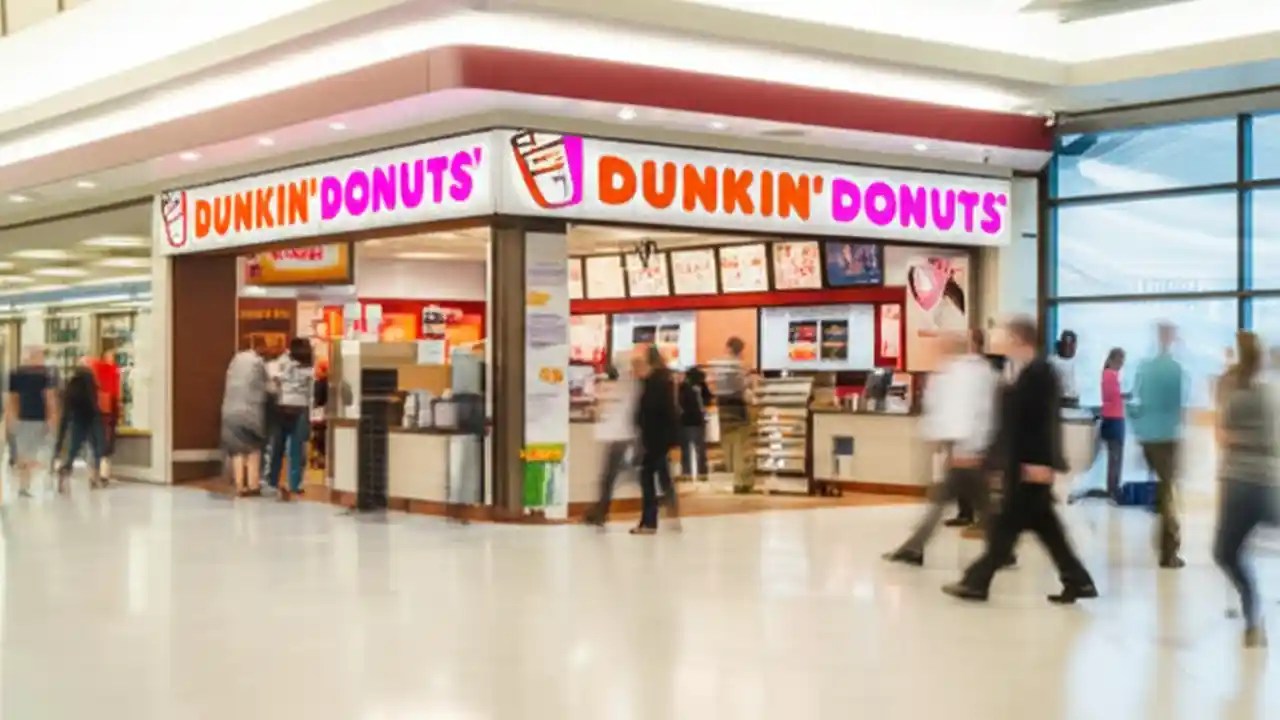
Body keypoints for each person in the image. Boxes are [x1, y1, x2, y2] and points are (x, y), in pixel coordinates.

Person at [943, 316, 1098, 604]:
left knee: (1008, 526)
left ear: (1019, 339)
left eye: (1007, 337)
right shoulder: (1023, 372)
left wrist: (1043, 463)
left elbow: (1044, 423)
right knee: (1045, 527)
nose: (1002, 343)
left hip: (1031, 465)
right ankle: (1078, 580)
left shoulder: (1041, 374)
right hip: (1022, 463)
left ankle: (977, 581)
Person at [884, 329, 997, 566]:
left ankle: (914, 548)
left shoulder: (969, 372)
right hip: (964, 449)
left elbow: (971, 412)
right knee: (979, 503)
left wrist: (963, 448)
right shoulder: (963, 370)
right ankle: (1003, 549)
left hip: (967, 451)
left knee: (947, 501)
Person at [1213, 331, 1277, 648]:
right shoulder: (1269, 394)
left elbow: (1222, 436)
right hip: (1269, 483)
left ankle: (1253, 620)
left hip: (1238, 482)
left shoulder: (1234, 394)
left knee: (1226, 552)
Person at [1129, 322, 1186, 568]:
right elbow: (1177, 406)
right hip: (1167, 437)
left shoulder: (1144, 367)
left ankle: (1167, 544)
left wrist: (1140, 429)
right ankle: (1168, 550)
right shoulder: (1174, 369)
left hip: (1148, 437)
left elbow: (1136, 401)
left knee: (1164, 492)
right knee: (1168, 492)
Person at [583, 352, 641, 526]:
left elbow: (602, 408)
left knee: (609, 476)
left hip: (618, 437)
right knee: (611, 475)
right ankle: (600, 511)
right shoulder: (632, 386)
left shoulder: (623, 386)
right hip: (623, 436)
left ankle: (600, 512)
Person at [633, 344, 680, 535]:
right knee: (661, 476)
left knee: (647, 478)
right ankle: (670, 514)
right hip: (659, 438)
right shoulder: (664, 380)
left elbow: (651, 410)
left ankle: (649, 521)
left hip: (653, 438)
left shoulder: (654, 382)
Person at [266, 338, 315, 501]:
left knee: (277, 446)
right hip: (301, 407)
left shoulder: (283, 361)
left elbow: (273, 377)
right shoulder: (308, 366)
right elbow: (311, 392)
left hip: (282, 405)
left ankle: (272, 480)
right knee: (296, 448)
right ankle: (295, 484)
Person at [6, 347, 57, 500]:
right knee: (40, 452)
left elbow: (12, 398)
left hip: (23, 418)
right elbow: (49, 398)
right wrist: (52, 418)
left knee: (25, 453)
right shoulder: (45, 375)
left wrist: (12, 417)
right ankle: (40, 483)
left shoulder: (16, 374)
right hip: (38, 418)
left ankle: (24, 485)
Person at [221, 343, 270, 497]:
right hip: (250, 412)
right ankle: (253, 484)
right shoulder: (257, 363)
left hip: (229, 412)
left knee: (237, 450)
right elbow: (268, 387)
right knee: (253, 448)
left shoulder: (233, 364)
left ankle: (240, 486)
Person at [711, 337, 754, 493]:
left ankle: (732, 480)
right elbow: (743, 390)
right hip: (738, 411)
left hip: (723, 412)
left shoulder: (718, 365)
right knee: (741, 449)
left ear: (728, 347)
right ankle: (741, 482)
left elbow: (714, 387)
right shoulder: (739, 367)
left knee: (728, 447)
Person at [54, 360, 104, 492]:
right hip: (92, 418)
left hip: (77, 419)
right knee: (96, 448)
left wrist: (61, 435)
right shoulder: (90, 382)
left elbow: (66, 410)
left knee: (73, 450)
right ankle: (95, 477)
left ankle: (64, 472)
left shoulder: (72, 386)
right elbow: (94, 403)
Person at [1098, 347, 1127, 501]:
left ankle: (1113, 487)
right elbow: (1111, 396)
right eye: (1120, 360)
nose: (1121, 364)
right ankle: (1113, 488)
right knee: (1115, 456)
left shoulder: (1109, 375)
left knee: (1115, 456)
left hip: (1113, 417)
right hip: (1113, 419)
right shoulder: (1110, 375)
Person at [89, 350, 122, 484]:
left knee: (98, 442)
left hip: (101, 409)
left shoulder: (100, 369)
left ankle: (96, 473)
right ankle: (103, 474)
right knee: (106, 442)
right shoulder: (110, 370)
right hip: (108, 409)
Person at [678, 365, 712, 481]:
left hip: (686, 421)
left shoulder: (683, 387)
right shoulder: (699, 385)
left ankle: (686, 473)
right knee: (700, 448)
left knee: (686, 449)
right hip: (697, 420)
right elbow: (708, 399)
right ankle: (702, 472)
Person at [1049, 329, 1079, 408]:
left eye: (1071, 345)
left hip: (1074, 400)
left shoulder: (1078, 362)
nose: (1069, 348)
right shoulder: (1052, 362)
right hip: (1059, 400)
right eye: (1066, 344)